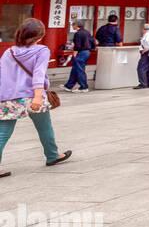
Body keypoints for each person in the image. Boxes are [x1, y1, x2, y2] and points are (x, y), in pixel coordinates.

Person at [0, 18, 73, 177]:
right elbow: (39, 75)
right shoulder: (41, 50)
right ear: (39, 36)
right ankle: (52, 155)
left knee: (3, 133)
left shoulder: (9, 52)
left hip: (8, 97)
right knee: (44, 126)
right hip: (32, 96)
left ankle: (53, 155)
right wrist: (38, 97)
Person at [64, 20, 93, 92]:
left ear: (76, 25)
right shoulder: (87, 32)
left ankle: (84, 87)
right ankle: (69, 86)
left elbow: (77, 45)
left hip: (80, 52)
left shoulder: (78, 34)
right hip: (87, 52)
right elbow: (92, 42)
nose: (72, 26)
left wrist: (74, 54)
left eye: (73, 25)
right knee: (75, 69)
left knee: (80, 70)